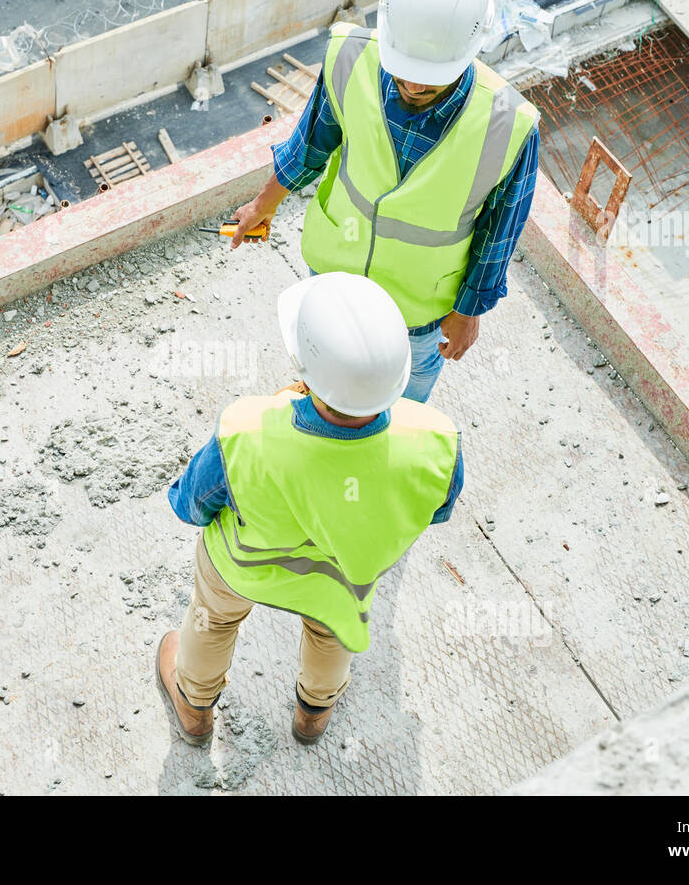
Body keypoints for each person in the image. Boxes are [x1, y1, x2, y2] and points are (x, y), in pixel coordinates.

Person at [157, 273, 464, 745]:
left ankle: (195, 708)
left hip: (244, 566)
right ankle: (313, 715)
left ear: (304, 365)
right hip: (344, 574)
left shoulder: (246, 431)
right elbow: (435, 510)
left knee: (212, 618)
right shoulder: (437, 441)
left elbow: (190, 506)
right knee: (332, 633)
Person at [229, 0, 540, 403]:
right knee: (324, 365)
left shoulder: (509, 124)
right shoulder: (348, 59)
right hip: (334, 273)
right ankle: (320, 398)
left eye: (430, 77)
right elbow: (310, 145)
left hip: (416, 312)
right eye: (405, 70)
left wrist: (468, 311)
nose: (413, 84)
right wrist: (262, 205)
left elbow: (500, 233)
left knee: (403, 402)